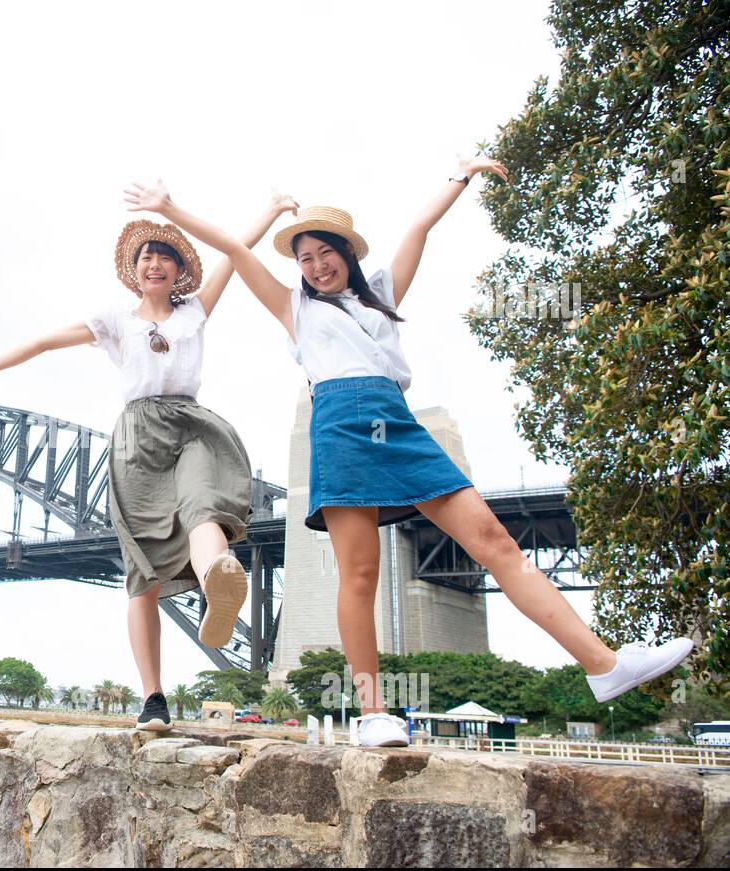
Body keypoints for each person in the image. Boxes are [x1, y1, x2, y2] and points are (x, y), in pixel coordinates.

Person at [125, 164, 695, 747]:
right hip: (341, 423)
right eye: (305, 259)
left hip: (395, 418)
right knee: (361, 573)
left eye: (325, 253)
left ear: (346, 253)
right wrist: (169, 208)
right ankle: (374, 714)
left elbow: (419, 227)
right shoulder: (294, 308)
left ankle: (603, 665)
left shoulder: (381, 293)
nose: (316, 266)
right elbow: (229, 248)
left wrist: (461, 176)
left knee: (496, 542)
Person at [0, 194, 298, 730]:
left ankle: (219, 581)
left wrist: (272, 212)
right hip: (138, 439)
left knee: (204, 506)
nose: (155, 264)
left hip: (191, 425)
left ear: (180, 269)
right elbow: (46, 342)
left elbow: (236, 249)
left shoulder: (196, 310)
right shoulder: (115, 319)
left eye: (165, 257)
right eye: (146, 258)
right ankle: (153, 698)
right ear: (134, 272)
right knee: (143, 572)